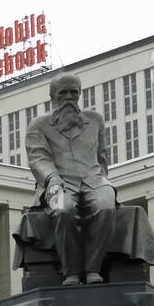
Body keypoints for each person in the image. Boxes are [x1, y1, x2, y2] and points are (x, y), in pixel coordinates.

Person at [24, 73, 118, 285]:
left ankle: (93, 269)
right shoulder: (38, 125)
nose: (68, 98)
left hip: (94, 179)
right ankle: (71, 273)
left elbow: (102, 156)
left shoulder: (95, 120)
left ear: (79, 94)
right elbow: (38, 158)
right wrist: (52, 178)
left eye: (73, 93)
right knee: (63, 209)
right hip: (58, 182)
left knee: (106, 207)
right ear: (52, 97)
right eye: (63, 93)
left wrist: (103, 180)